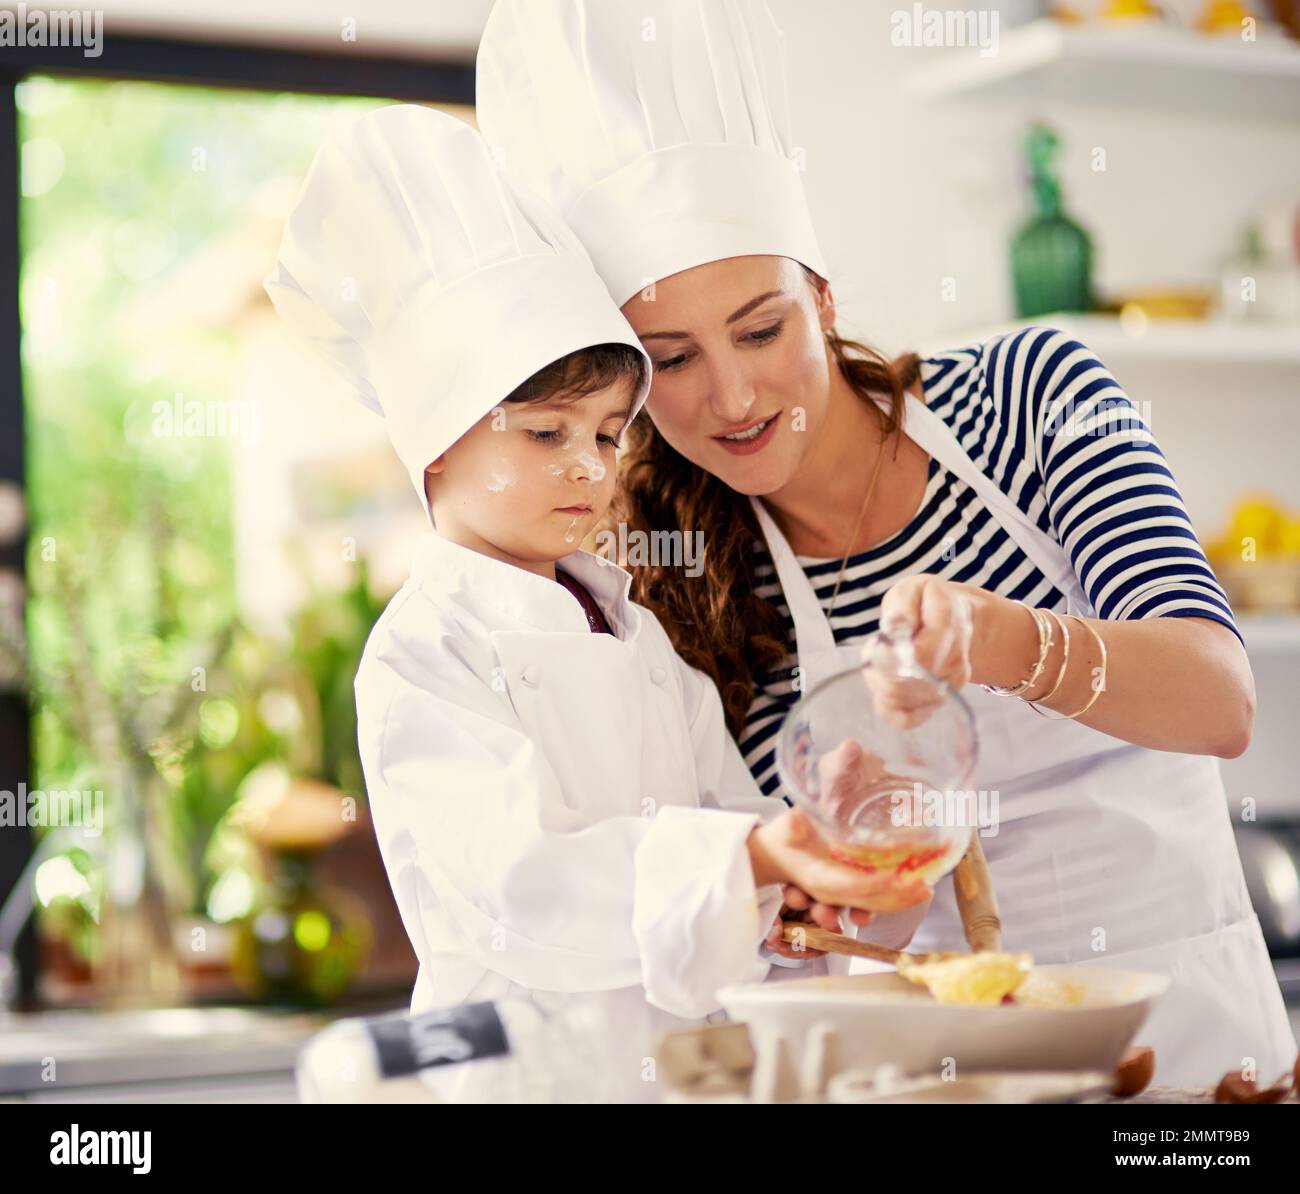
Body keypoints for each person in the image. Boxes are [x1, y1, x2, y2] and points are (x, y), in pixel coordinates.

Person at [476, 0, 1298, 1086]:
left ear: (820, 298)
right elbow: (806, 944)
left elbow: (1217, 699)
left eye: (761, 329)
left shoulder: (1038, 393)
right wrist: (862, 873)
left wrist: (1001, 642)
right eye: (668, 359)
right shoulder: (684, 581)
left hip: (1194, 1051)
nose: (730, 395)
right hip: (951, 1074)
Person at [263, 104, 929, 1102]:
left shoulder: (638, 634)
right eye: (545, 435)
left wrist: (799, 877)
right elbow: (523, 888)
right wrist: (746, 856)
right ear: (440, 443)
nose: (591, 467)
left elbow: (723, 830)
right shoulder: (422, 655)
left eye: (610, 433)